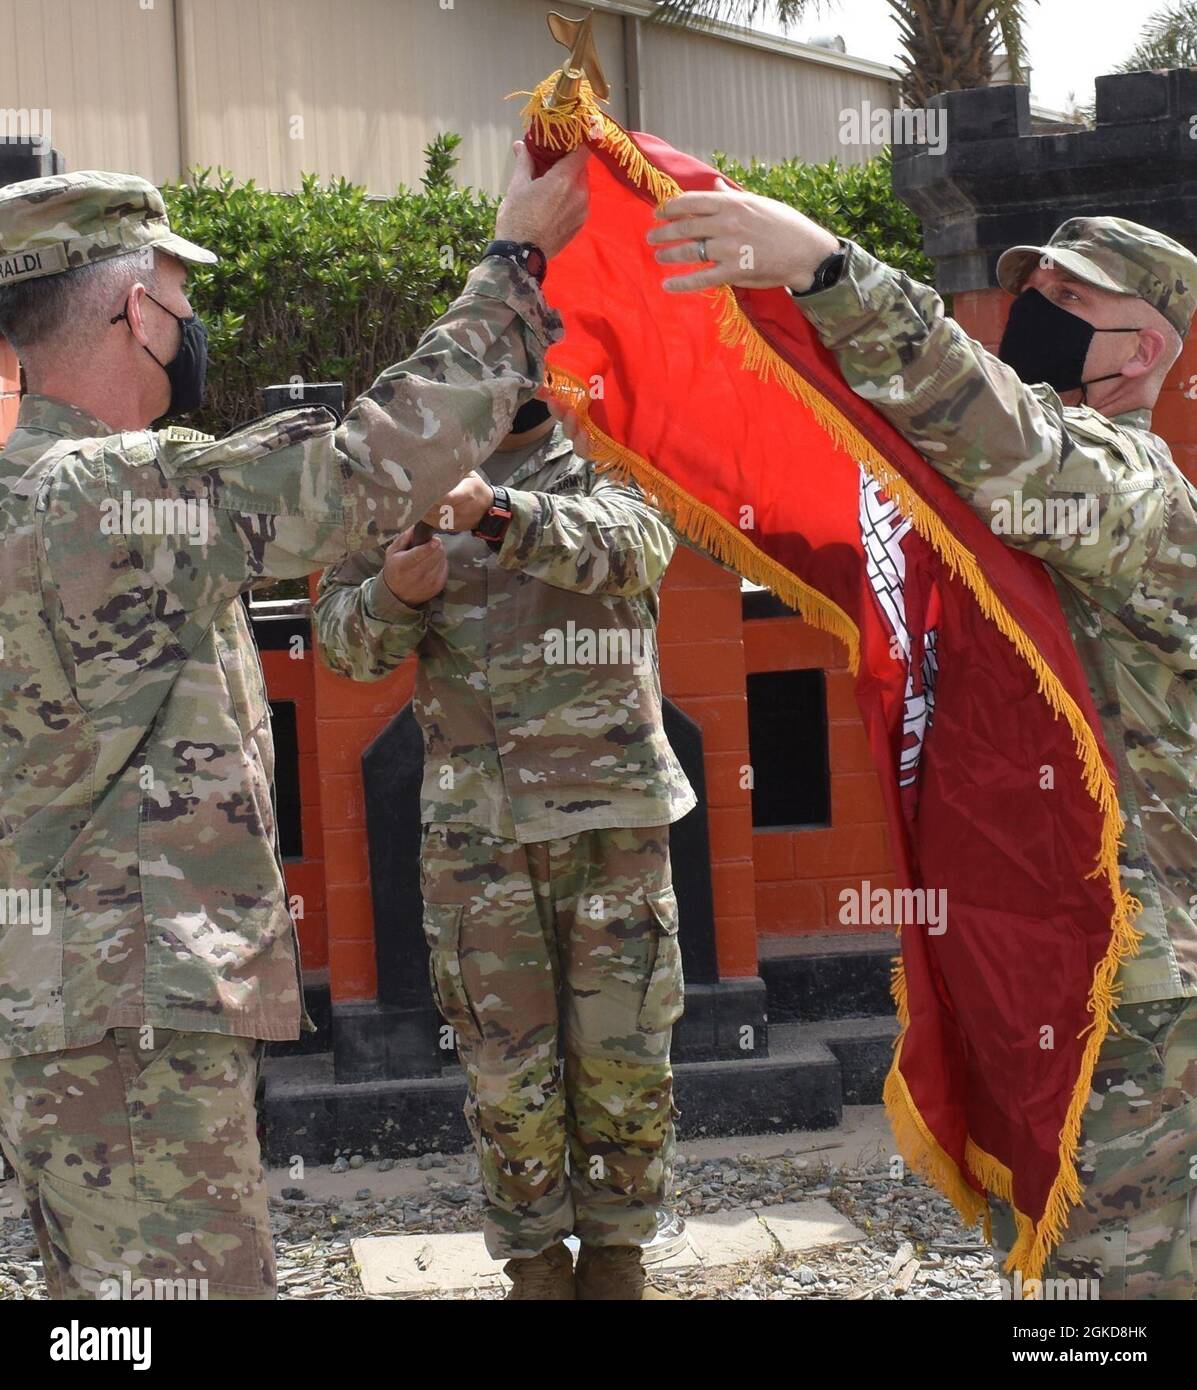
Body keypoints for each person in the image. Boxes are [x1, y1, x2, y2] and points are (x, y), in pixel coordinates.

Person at [0, 143, 588, 1299]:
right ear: (135, 308)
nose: (191, 319)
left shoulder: (49, 497)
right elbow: (363, 473)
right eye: (183, 296)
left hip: (76, 1014)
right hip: (133, 1029)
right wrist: (514, 264)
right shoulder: (99, 495)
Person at [647, 190, 1197, 1299]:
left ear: (1142, 348)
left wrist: (827, 274)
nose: (1034, 306)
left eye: (1069, 296)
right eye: (1032, 287)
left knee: (1117, 1275)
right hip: (1023, 947)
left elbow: (1005, 435)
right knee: (1049, 1265)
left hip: (1125, 976)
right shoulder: (976, 494)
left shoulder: (1127, 486)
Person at [313, 384, 696, 1300]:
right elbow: (339, 640)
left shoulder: (612, 450)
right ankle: (531, 1264)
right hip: (477, 836)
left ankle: (617, 1259)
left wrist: (495, 514)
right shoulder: (397, 475)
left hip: (611, 820)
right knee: (502, 1063)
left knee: (625, 1055)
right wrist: (389, 598)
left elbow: (636, 551)